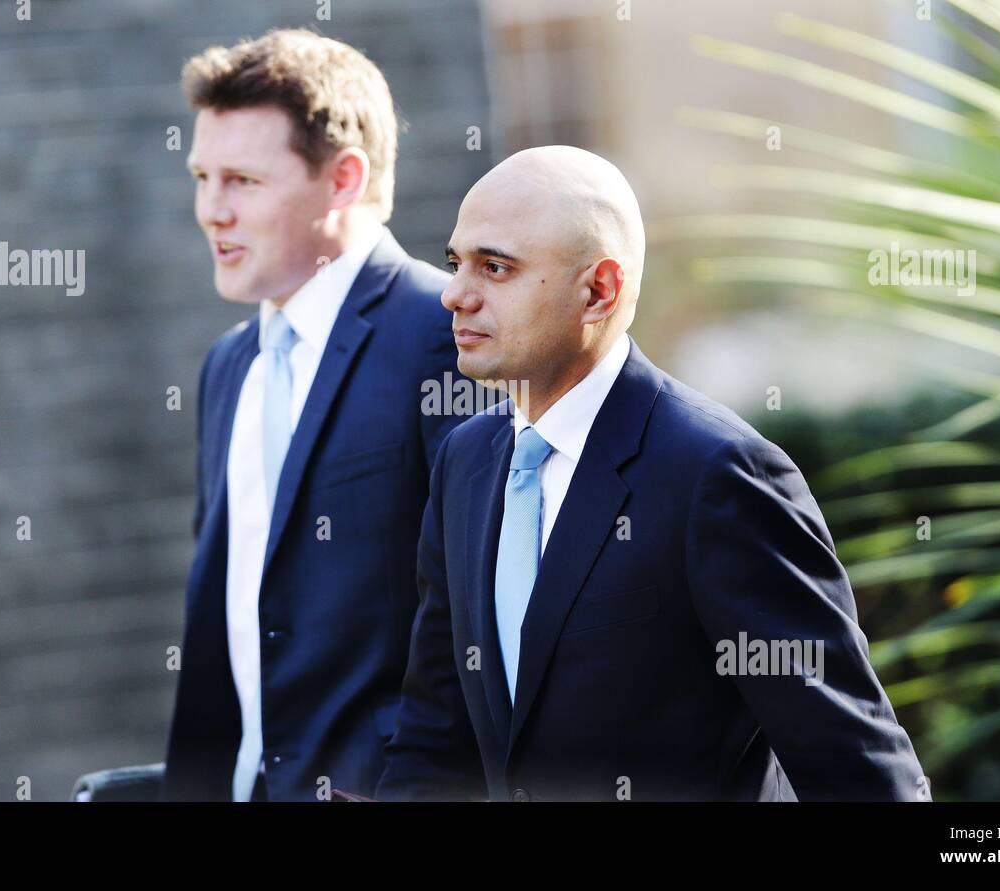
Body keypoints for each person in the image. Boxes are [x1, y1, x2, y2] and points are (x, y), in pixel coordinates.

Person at [375, 146, 926, 801]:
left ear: (599, 290)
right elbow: (437, 737)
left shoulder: (718, 476)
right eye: (455, 262)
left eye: (496, 267)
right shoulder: (466, 461)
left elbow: (857, 771)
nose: (455, 294)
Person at [162, 29, 464, 802]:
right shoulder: (230, 363)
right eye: (201, 176)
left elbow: (492, 612)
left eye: (241, 180)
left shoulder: (450, 332)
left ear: (343, 179)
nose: (210, 210)